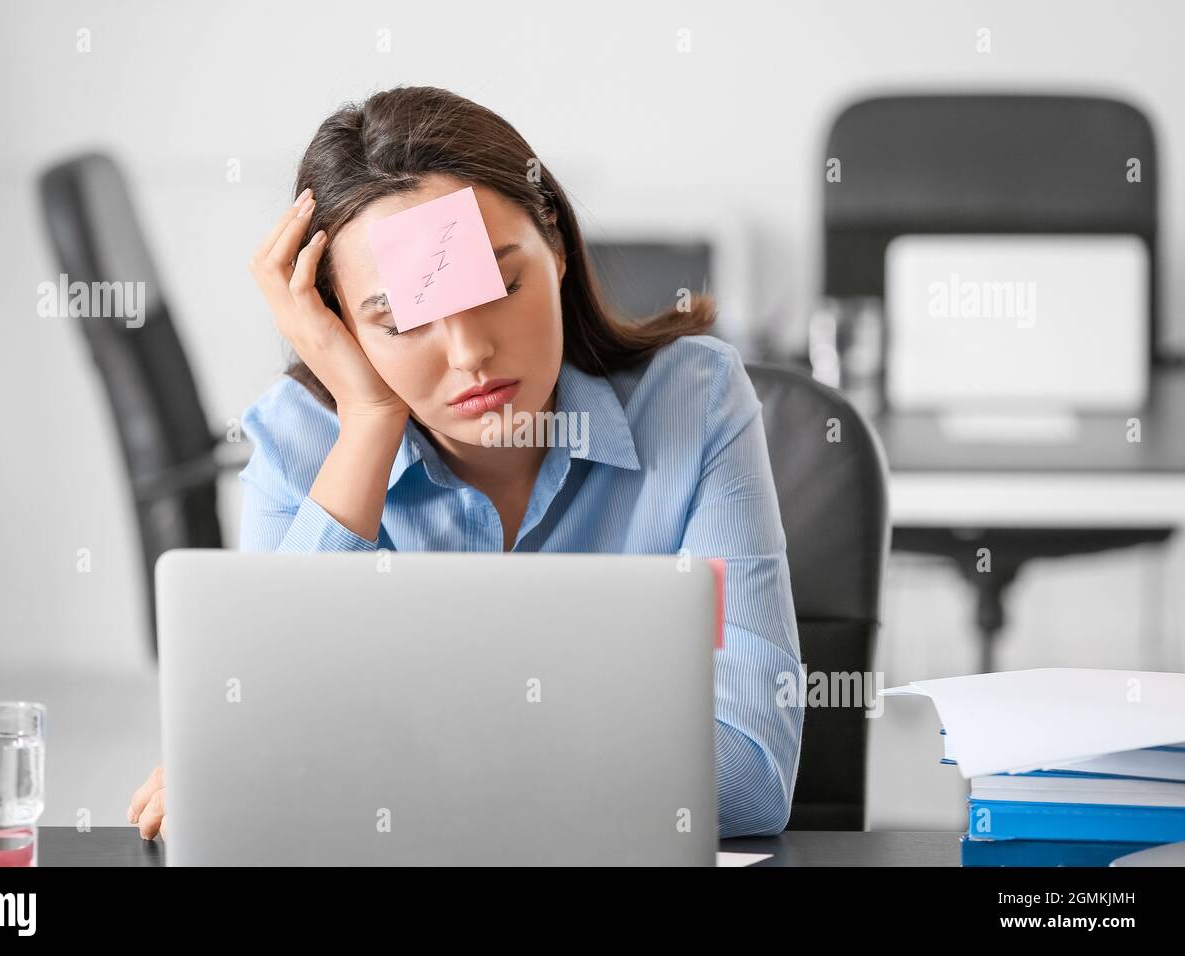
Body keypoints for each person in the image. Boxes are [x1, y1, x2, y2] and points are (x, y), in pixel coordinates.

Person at [129, 85, 803, 843]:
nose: (470, 354)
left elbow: (750, 778)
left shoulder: (696, 401)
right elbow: (259, 734)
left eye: (501, 285)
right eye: (398, 320)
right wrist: (370, 422)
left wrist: (352, 771)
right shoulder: (297, 444)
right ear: (339, 324)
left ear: (557, 245)